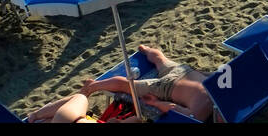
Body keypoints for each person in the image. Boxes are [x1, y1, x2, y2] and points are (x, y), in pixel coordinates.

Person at [81, 44, 215, 121]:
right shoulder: (200, 113)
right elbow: (172, 107)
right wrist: (155, 103)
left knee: (161, 60)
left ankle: (146, 49)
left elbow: (212, 75)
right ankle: (92, 86)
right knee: (129, 86)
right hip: (167, 86)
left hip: (185, 71)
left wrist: (196, 71)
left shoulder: (223, 88)